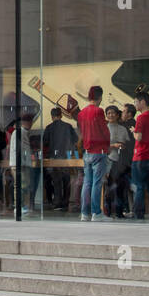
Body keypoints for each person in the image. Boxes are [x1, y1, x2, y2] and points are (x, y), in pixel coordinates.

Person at [77, 85, 110, 221]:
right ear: (100, 97)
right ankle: (96, 212)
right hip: (99, 151)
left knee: (87, 183)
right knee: (97, 183)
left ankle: (85, 213)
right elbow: (104, 131)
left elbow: (81, 133)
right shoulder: (99, 111)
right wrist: (108, 145)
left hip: (87, 151)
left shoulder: (81, 113)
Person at [41, 107, 78, 211]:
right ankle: (65, 202)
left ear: (52, 116)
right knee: (66, 180)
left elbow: (45, 142)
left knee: (56, 181)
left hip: (54, 158)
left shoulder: (49, 128)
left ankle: (57, 202)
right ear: (61, 115)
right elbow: (75, 139)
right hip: (66, 158)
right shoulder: (68, 126)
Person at [128, 91, 149, 220]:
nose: (135, 104)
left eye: (136, 102)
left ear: (142, 102)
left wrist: (133, 131)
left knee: (138, 187)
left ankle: (138, 213)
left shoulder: (141, 118)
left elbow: (139, 137)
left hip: (140, 157)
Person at [104, 105, 130, 219]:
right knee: (109, 187)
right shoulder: (104, 129)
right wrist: (114, 145)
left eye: (113, 113)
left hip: (120, 162)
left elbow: (128, 144)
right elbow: (102, 146)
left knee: (120, 187)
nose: (111, 115)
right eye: (108, 113)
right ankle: (107, 210)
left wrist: (123, 146)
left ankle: (119, 211)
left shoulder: (123, 129)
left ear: (118, 115)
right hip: (107, 160)